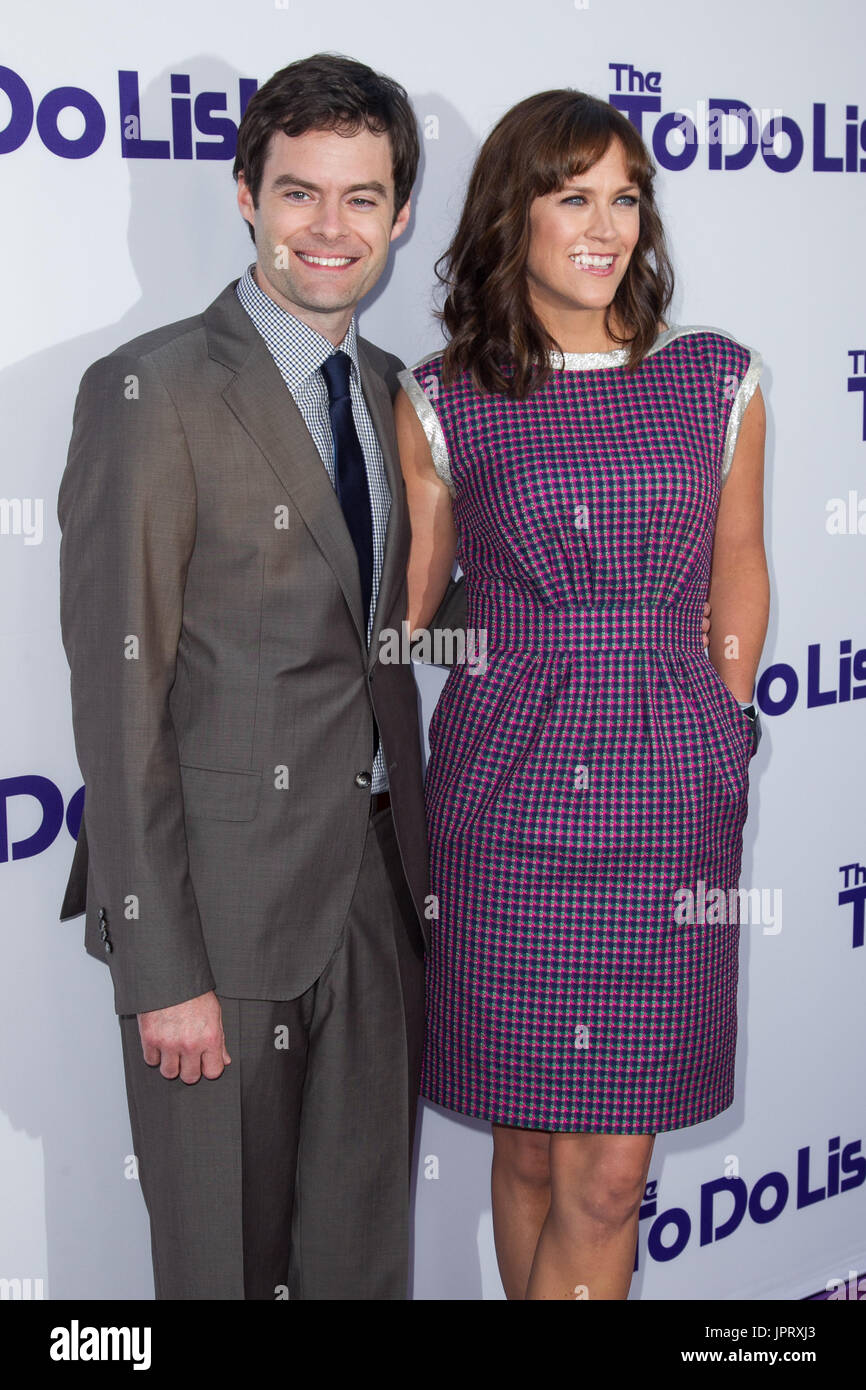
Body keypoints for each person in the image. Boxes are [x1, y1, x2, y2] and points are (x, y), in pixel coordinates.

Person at [57, 52, 432, 1301]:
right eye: (299, 194)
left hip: (374, 902)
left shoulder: (395, 400)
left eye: (361, 198)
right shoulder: (150, 390)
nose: (330, 229)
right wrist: (164, 970)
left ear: (400, 213)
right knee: (218, 1271)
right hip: (215, 921)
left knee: (357, 1264)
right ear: (244, 197)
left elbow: (412, 629)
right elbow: (118, 697)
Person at [395, 88, 768, 1301]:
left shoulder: (718, 377)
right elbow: (415, 613)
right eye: (573, 196)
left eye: (625, 196)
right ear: (515, 213)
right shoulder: (440, 394)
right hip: (506, 802)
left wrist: (722, 723)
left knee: (609, 1172)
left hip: (670, 795)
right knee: (525, 1137)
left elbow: (739, 569)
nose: (606, 225)